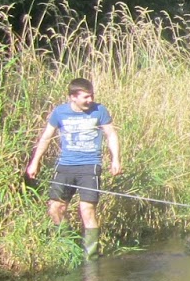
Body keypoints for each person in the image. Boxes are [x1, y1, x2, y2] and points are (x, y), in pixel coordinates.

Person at [26, 77, 122, 259]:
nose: (90, 100)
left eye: (91, 96)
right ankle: (69, 248)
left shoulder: (99, 111)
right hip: (65, 166)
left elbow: (111, 134)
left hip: (89, 166)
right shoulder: (59, 113)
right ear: (72, 97)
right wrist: (34, 161)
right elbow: (46, 137)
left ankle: (90, 257)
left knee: (87, 210)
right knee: (55, 208)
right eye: (85, 97)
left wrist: (115, 159)